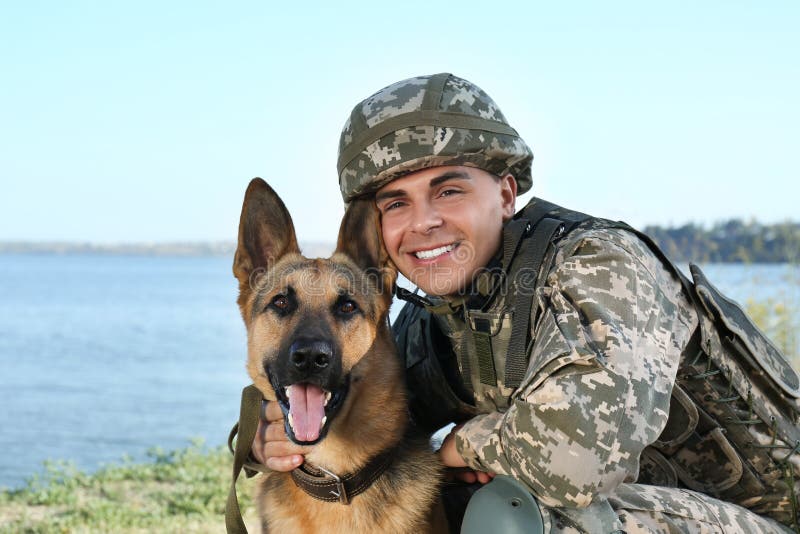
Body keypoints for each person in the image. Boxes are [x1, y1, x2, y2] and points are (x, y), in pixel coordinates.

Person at [251, 73, 791, 533]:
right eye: (397, 203)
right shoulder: (437, 316)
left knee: (520, 515)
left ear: (506, 194)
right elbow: (357, 389)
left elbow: (575, 458)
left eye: (449, 190)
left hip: (752, 517)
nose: (423, 222)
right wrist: (266, 432)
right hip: (639, 504)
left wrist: (462, 446)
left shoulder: (600, 265)